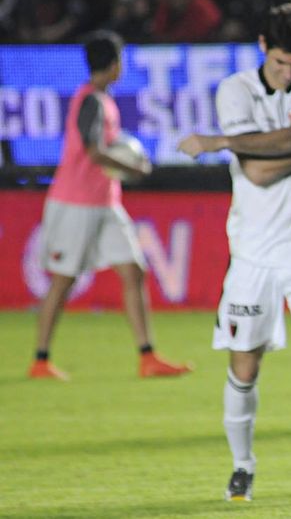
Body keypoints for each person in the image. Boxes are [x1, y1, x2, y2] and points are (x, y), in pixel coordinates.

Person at [177, 2, 291, 507]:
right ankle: (242, 468)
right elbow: (255, 173)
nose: (288, 73)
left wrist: (219, 142)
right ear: (261, 47)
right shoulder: (235, 89)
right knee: (244, 366)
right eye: (279, 63)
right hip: (253, 251)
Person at [30, 30, 192, 381]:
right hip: (75, 202)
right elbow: (93, 151)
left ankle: (147, 356)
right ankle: (40, 359)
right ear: (114, 64)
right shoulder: (90, 101)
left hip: (105, 202)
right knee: (63, 280)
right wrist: (133, 168)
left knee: (133, 270)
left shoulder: (103, 100)